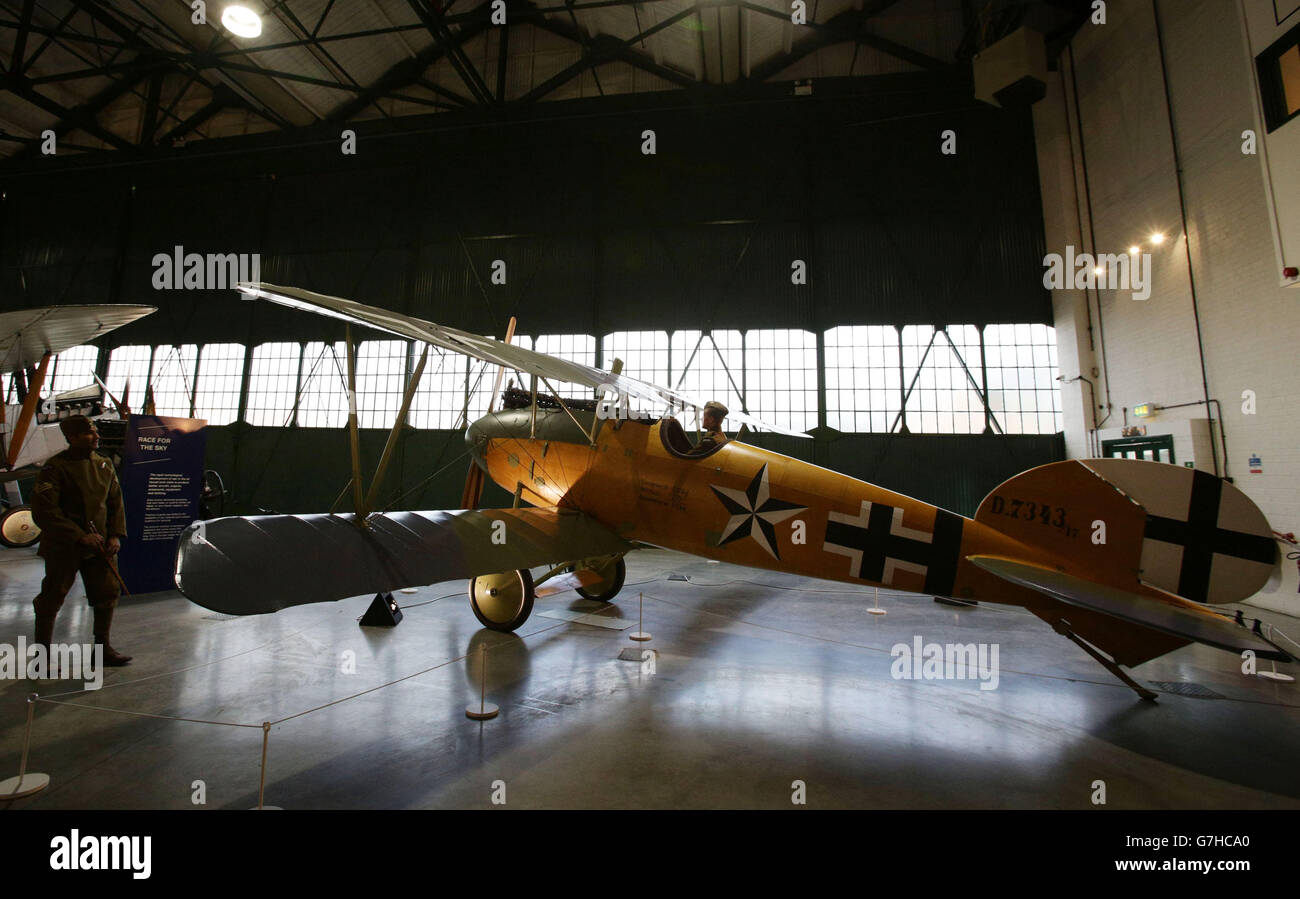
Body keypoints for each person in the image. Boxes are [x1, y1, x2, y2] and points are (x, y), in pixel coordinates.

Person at [31, 415, 131, 667]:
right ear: (72, 438)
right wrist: (79, 535)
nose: (96, 437)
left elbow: (115, 503)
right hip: (65, 546)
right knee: (52, 597)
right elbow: (44, 511)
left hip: (101, 545)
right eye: (89, 433)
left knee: (107, 594)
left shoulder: (104, 465)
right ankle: (41, 654)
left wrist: (115, 535)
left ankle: (102, 649)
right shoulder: (55, 468)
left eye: (96, 432)